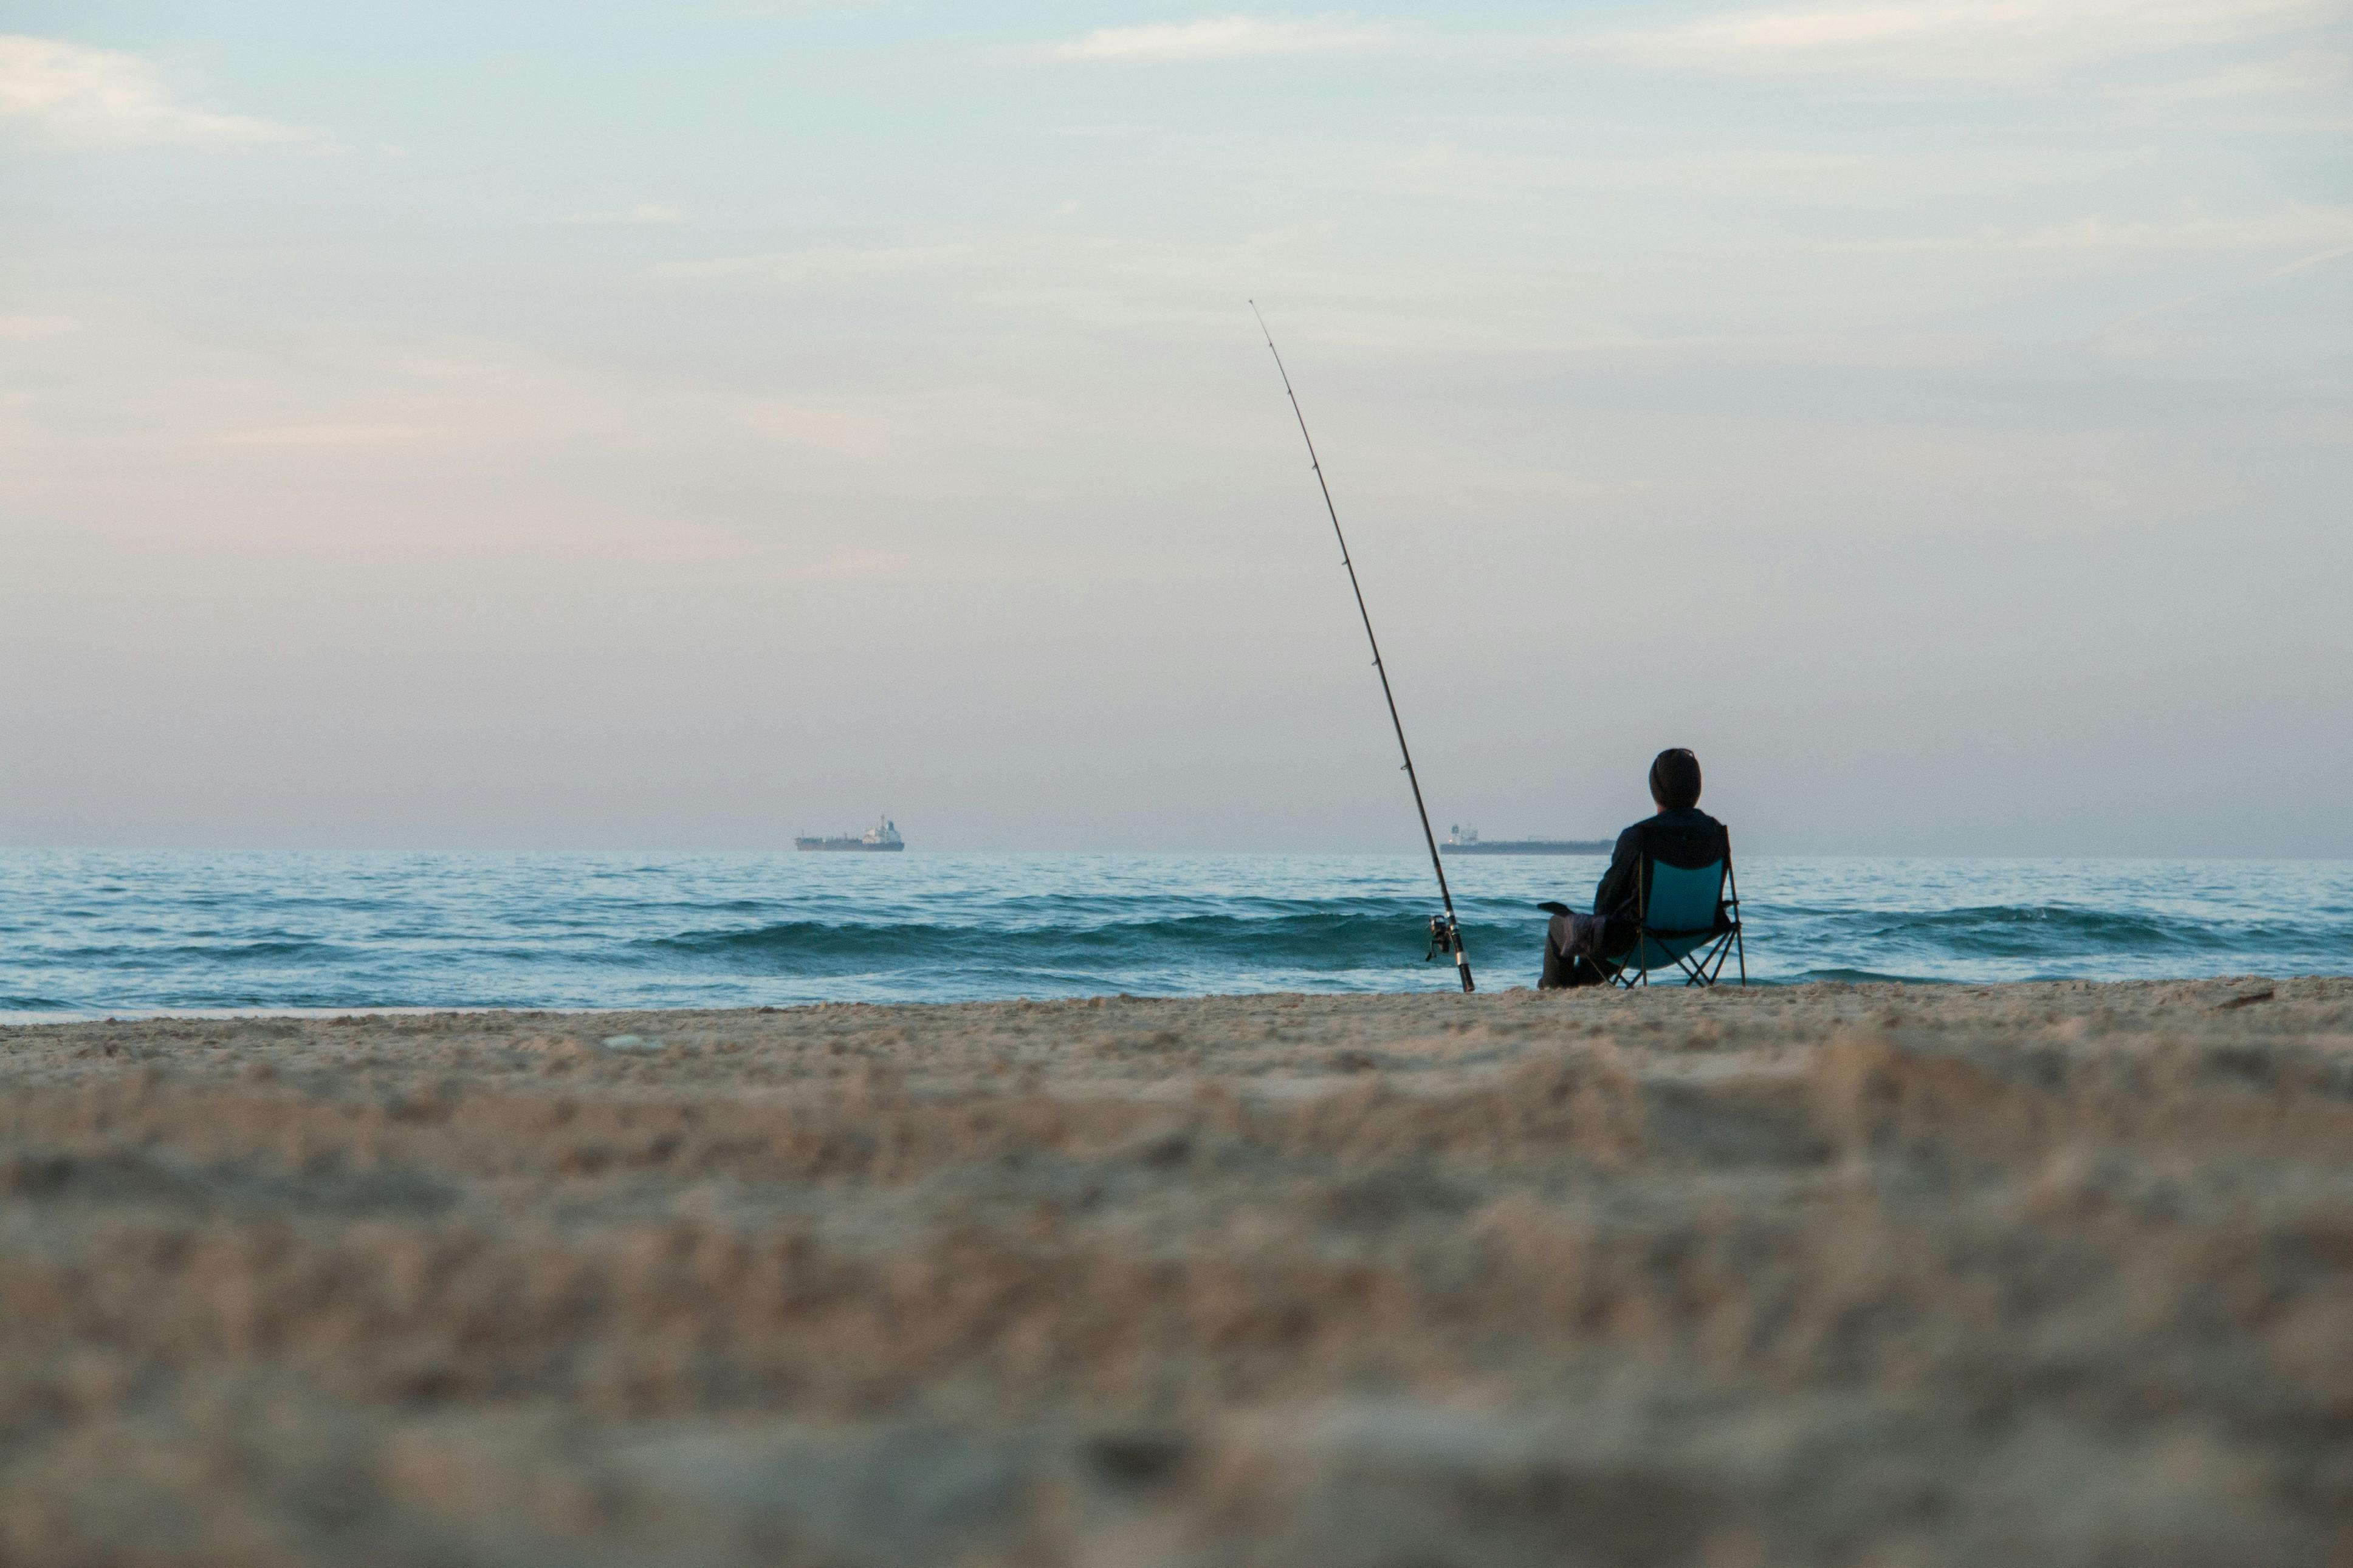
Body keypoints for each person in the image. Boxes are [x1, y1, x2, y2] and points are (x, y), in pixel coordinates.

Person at [1540, 748, 1730, 988]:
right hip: (1693, 938)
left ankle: (1552, 992)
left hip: (1639, 944)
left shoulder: (1640, 836)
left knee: (1560, 925)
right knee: (1618, 931)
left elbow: (1604, 904)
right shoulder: (1716, 834)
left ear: (1656, 790)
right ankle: (1570, 986)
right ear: (1697, 788)